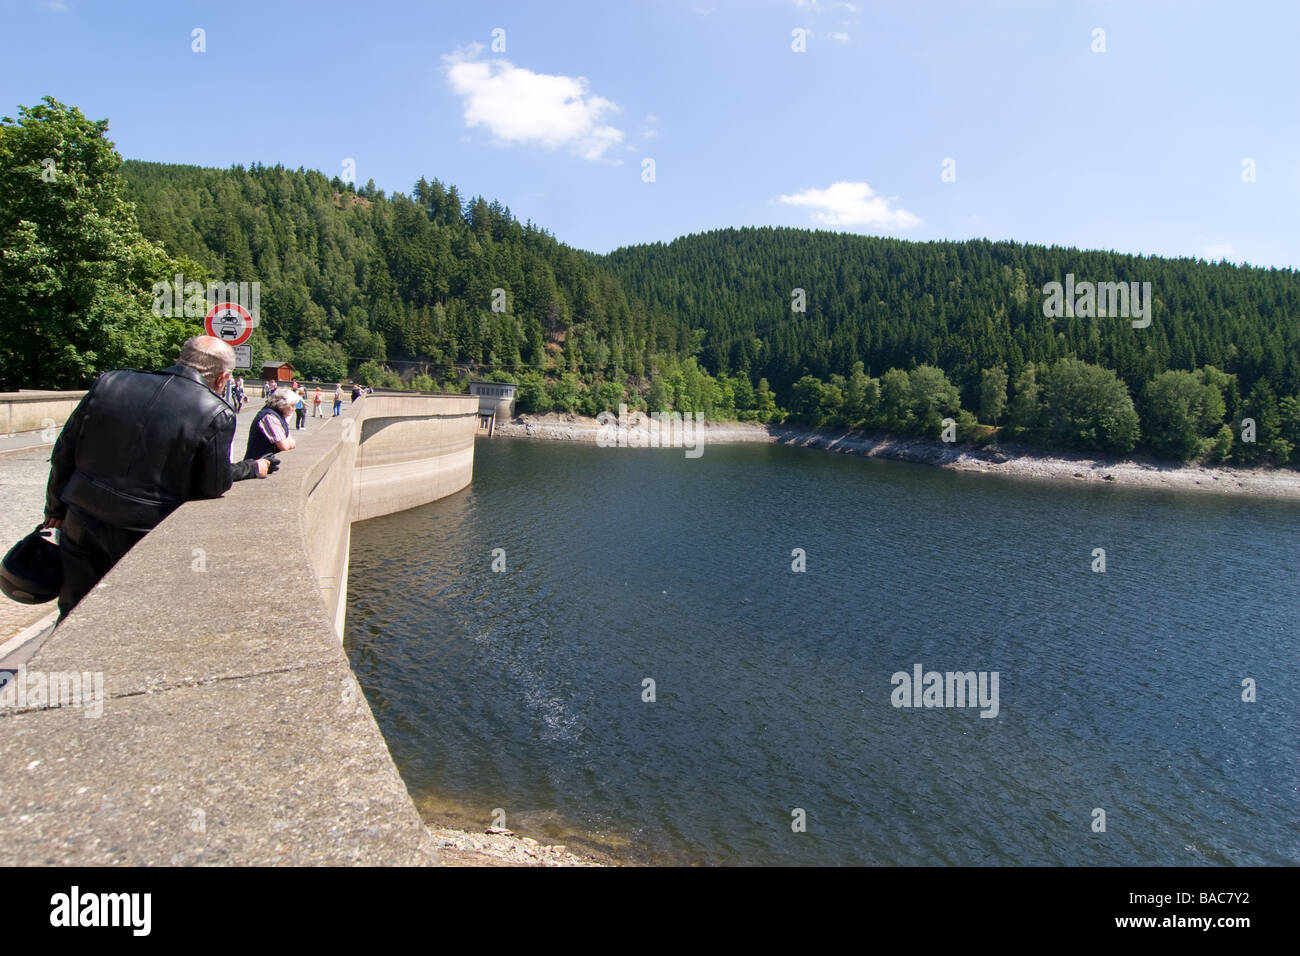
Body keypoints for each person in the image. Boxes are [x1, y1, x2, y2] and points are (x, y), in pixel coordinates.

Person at [43, 337, 275, 621]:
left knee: (73, 611)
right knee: (131, 615)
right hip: (144, 530)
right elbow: (213, 484)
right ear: (223, 377)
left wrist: (55, 509)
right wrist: (251, 468)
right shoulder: (216, 411)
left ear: (182, 358)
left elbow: (64, 451)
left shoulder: (111, 382)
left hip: (81, 516)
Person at [245, 388, 299, 460]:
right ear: (282, 404)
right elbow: (284, 446)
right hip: (256, 464)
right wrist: (287, 442)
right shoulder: (269, 417)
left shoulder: (279, 416)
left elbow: (293, 443)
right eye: (292, 405)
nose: (294, 409)